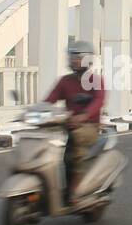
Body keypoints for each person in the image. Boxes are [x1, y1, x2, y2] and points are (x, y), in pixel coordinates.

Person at [43, 41, 106, 204]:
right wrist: (35, 111)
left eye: (79, 57)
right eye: (72, 56)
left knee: (76, 145)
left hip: (89, 126)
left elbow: (98, 101)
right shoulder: (65, 81)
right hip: (67, 123)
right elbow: (50, 99)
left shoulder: (96, 80)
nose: (74, 60)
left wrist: (83, 116)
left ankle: (75, 190)